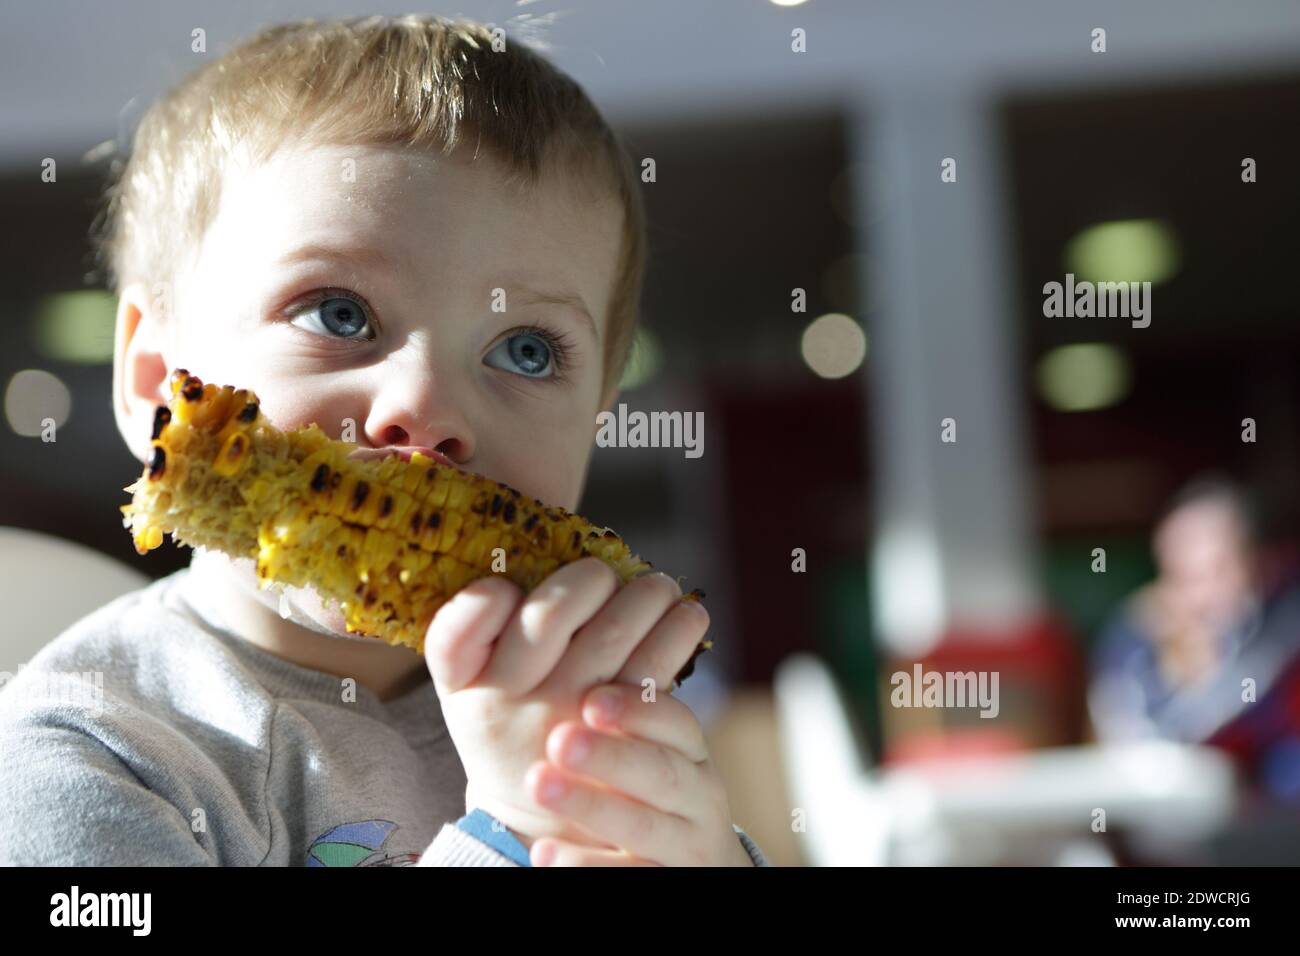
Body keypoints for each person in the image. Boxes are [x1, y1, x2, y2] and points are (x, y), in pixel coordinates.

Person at [0, 16, 767, 867]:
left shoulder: (582, 723)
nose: (426, 407)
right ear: (157, 380)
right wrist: (509, 832)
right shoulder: (87, 750)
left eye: (526, 350)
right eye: (340, 313)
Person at [1088, 475, 1300, 802]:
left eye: (1220, 570)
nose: (1204, 596)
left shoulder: (1281, 623)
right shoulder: (1136, 640)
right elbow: (1127, 749)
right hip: (1177, 819)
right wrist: (1176, 674)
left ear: (1255, 563)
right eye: (1186, 577)